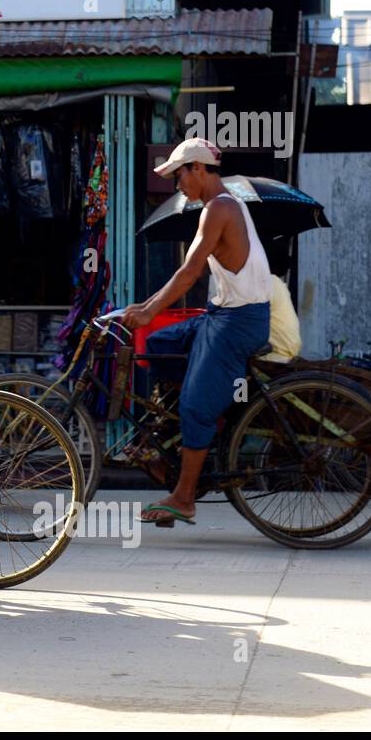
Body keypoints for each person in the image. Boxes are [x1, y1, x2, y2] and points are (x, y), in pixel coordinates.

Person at [119, 137, 271, 527]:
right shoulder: (223, 204)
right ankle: (185, 441)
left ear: (199, 169)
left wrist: (149, 309)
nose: (177, 184)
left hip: (238, 322)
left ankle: (185, 496)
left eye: (180, 175)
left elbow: (189, 272)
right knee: (159, 344)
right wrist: (146, 311)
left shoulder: (218, 208)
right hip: (222, 314)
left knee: (193, 405)